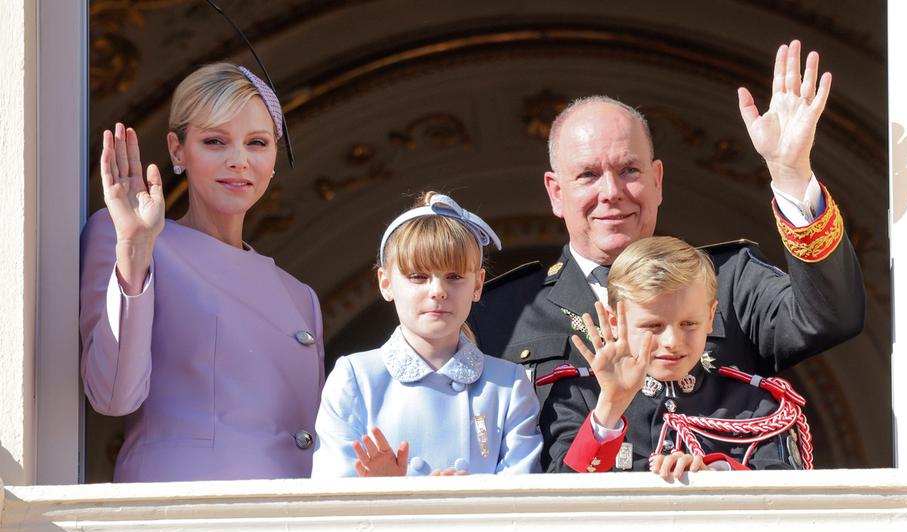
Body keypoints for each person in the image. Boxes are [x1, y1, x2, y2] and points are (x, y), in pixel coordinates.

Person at [467, 40, 865, 469]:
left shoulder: (729, 279)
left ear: (657, 180)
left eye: (629, 171)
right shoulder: (500, 314)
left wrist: (791, 174)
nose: (611, 193)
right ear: (556, 192)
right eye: (587, 175)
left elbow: (831, 316)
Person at [80, 63, 325, 482]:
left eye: (257, 143)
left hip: (289, 514)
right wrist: (136, 245)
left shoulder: (300, 296)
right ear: (178, 150)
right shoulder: (129, 237)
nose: (239, 161)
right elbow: (113, 395)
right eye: (215, 141)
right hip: (186, 513)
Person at [312, 193, 542, 477]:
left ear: (478, 284)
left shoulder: (509, 384)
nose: (438, 291)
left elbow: (524, 502)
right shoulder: (355, 378)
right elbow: (331, 498)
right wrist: (394, 495)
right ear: (386, 283)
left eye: (455, 276)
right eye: (418, 277)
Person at [543, 236, 811, 477]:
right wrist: (610, 408)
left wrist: (716, 475)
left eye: (688, 324)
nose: (672, 342)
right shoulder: (578, 396)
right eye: (653, 326)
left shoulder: (755, 406)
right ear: (614, 322)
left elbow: (786, 499)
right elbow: (558, 505)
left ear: (710, 317)